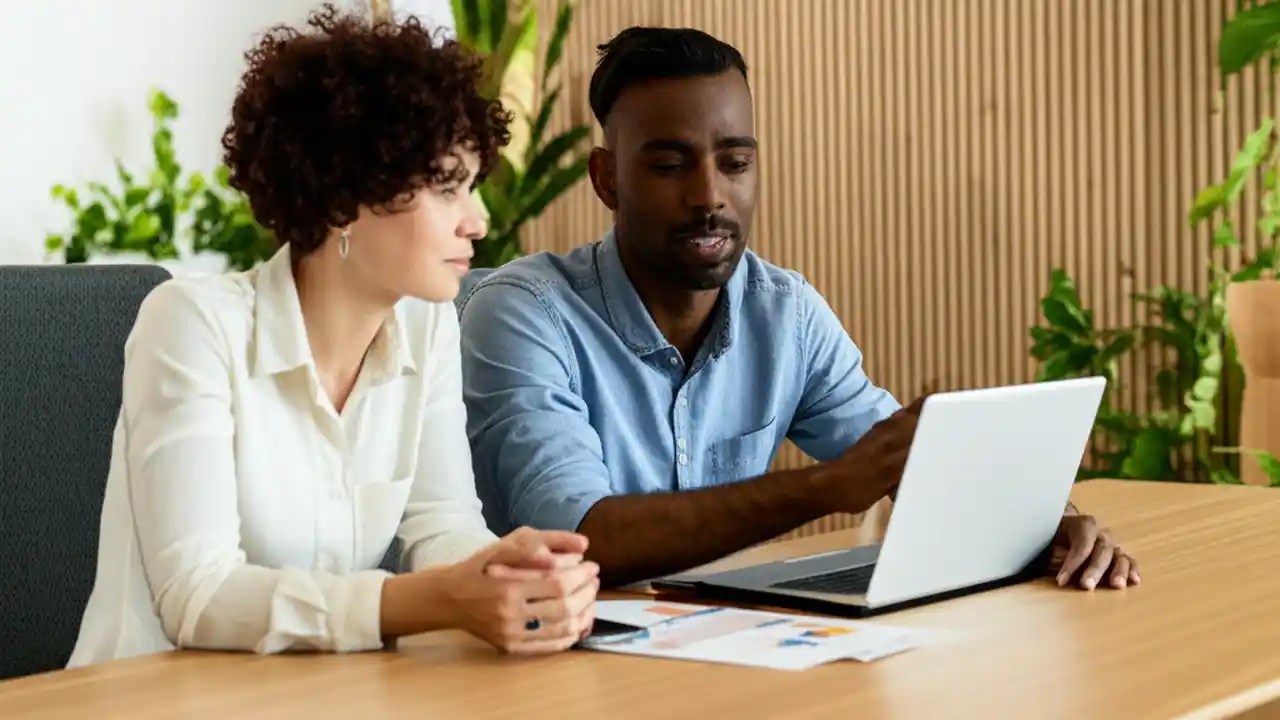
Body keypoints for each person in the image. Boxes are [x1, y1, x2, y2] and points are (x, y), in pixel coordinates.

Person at [457, 26, 1141, 591]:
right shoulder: (523, 314)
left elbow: (906, 461)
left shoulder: (785, 313)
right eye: (670, 165)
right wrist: (823, 489)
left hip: (701, 647)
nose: (709, 196)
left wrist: (1050, 527)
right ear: (607, 179)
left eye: (735, 162)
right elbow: (581, 538)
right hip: (531, 670)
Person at [68, 6, 598, 668]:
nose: (478, 221)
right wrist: (428, 601)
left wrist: (504, 574)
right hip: (149, 699)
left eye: (474, 186)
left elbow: (443, 526)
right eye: (447, 188)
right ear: (344, 200)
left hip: (319, 691)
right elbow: (197, 596)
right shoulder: (191, 324)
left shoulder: (423, 322)